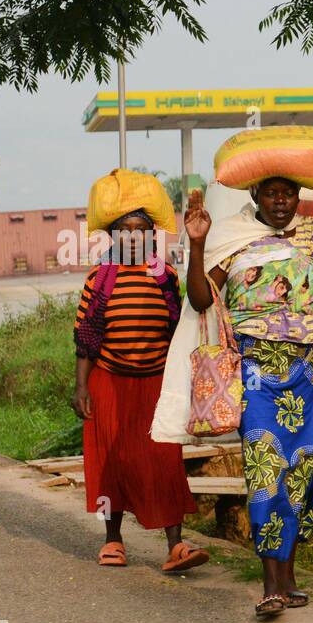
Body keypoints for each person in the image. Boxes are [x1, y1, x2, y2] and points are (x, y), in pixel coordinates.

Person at [183, 143, 313, 618]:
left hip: (309, 372)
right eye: (271, 193)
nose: (280, 202)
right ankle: (271, 584)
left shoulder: (312, 234)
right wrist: (195, 243)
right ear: (254, 193)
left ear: (297, 197)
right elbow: (197, 300)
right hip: (256, 372)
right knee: (265, 471)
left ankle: (289, 578)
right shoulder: (232, 239)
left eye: (288, 194)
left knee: (303, 471)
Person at [73, 169, 208, 573]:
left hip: (155, 384)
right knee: (111, 464)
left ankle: (176, 545)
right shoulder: (99, 280)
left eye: (141, 230)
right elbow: (86, 337)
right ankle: (113, 541)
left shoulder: (164, 277)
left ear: (152, 236)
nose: (133, 238)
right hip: (109, 384)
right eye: (124, 231)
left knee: (164, 460)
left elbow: (176, 330)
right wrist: (81, 386)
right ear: (112, 238)